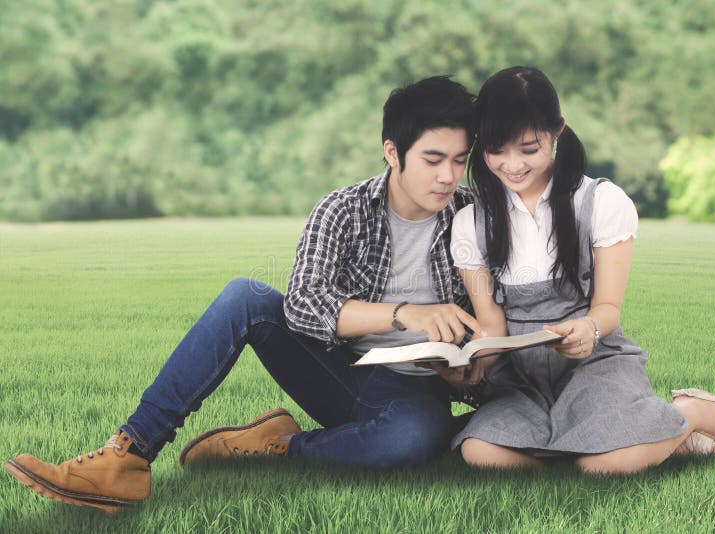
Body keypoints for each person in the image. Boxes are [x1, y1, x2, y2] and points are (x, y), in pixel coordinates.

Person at [4, 76, 484, 513]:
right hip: (338, 369)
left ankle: (274, 445)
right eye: (433, 159)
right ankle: (126, 455)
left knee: (415, 440)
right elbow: (302, 304)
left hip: (417, 392)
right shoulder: (343, 210)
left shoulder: (474, 216)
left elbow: (493, 323)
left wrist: (469, 369)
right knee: (245, 296)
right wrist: (404, 314)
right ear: (392, 152)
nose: (448, 177)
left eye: (459, 161)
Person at [448, 66, 715, 473]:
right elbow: (492, 324)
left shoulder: (601, 202)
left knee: (604, 466)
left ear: (557, 132)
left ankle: (690, 412)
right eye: (496, 150)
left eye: (528, 148)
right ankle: (654, 438)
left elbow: (607, 307)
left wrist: (586, 330)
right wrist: (471, 363)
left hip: (594, 364)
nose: (512, 165)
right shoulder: (472, 223)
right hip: (520, 381)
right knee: (482, 453)